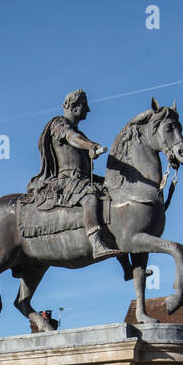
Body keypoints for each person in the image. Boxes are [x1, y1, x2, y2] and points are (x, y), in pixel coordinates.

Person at [25, 89, 119, 259]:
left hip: (82, 179)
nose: (88, 110)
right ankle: (96, 244)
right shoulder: (59, 124)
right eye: (85, 105)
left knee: (112, 196)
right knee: (89, 196)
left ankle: (125, 261)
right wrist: (89, 146)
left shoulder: (81, 135)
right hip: (65, 181)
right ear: (74, 106)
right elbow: (71, 138)